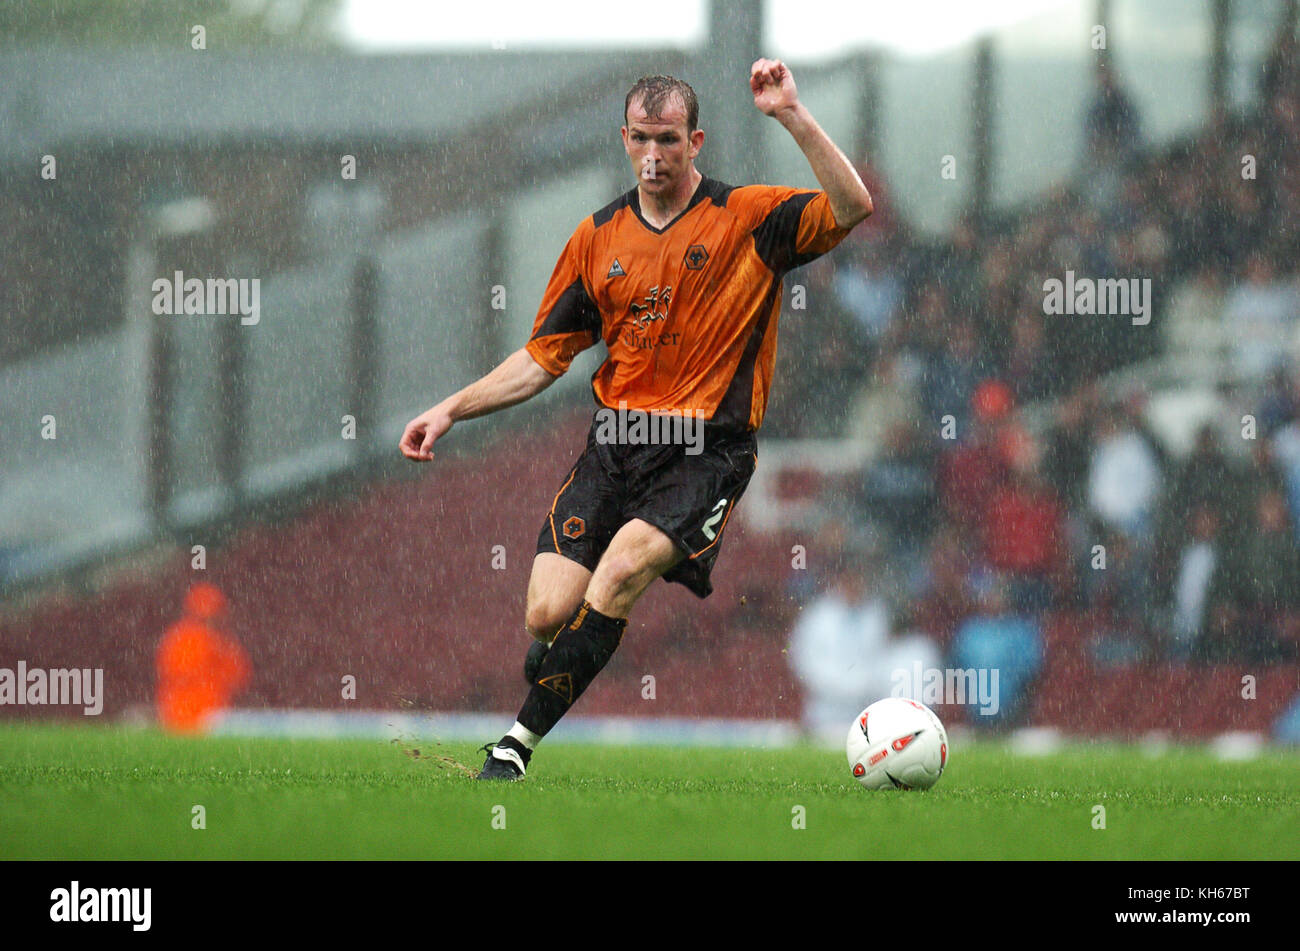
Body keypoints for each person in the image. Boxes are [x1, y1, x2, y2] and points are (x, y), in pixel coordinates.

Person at [398, 64, 873, 779]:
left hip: (706, 452)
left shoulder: (748, 218)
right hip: (616, 445)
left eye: (670, 140)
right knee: (544, 613)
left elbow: (851, 206)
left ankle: (514, 746)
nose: (655, 155)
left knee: (618, 572)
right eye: (643, 139)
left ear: (696, 140)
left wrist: (793, 115)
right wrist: (450, 408)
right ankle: (562, 651)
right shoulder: (596, 240)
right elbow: (541, 358)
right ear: (625, 139)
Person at [156, 582, 251, 734]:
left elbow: (238, 676)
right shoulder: (186, 640)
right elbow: (237, 677)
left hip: (206, 716)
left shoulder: (178, 638)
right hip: (193, 717)